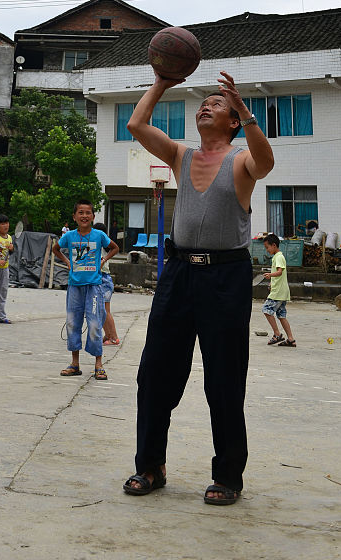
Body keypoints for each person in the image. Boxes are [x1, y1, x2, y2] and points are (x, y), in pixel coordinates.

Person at [122, 71, 274, 506]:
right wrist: (161, 81)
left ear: (233, 121)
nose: (206, 106)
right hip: (179, 273)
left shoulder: (241, 160)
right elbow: (136, 125)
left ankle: (227, 476)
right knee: (155, 374)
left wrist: (244, 109)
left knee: (225, 379)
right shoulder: (180, 156)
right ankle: (150, 466)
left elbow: (265, 164)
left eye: (216, 104)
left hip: (225, 277)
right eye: (203, 103)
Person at [52, 200, 118, 381]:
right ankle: (75, 364)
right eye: (80, 212)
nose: (84, 216)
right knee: (73, 323)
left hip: (94, 287)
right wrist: (67, 262)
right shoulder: (69, 236)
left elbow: (114, 248)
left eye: (88, 212)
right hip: (74, 287)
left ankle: (99, 364)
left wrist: (103, 260)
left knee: (95, 323)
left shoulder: (99, 235)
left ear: (93, 216)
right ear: (74, 217)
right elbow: (56, 249)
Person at [262, 234, 295, 346]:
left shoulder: (279, 257)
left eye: (267, 247)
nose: (267, 250)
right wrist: (272, 282)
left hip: (278, 292)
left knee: (266, 310)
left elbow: (280, 272)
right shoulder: (277, 257)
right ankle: (290, 339)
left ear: (274, 245)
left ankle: (277, 334)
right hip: (281, 291)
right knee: (281, 315)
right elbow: (280, 274)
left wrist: (270, 275)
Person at [94, 221, 119, 345]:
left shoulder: (100, 246)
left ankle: (114, 337)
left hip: (103, 279)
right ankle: (108, 335)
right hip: (105, 279)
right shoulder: (104, 247)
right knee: (102, 310)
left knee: (105, 310)